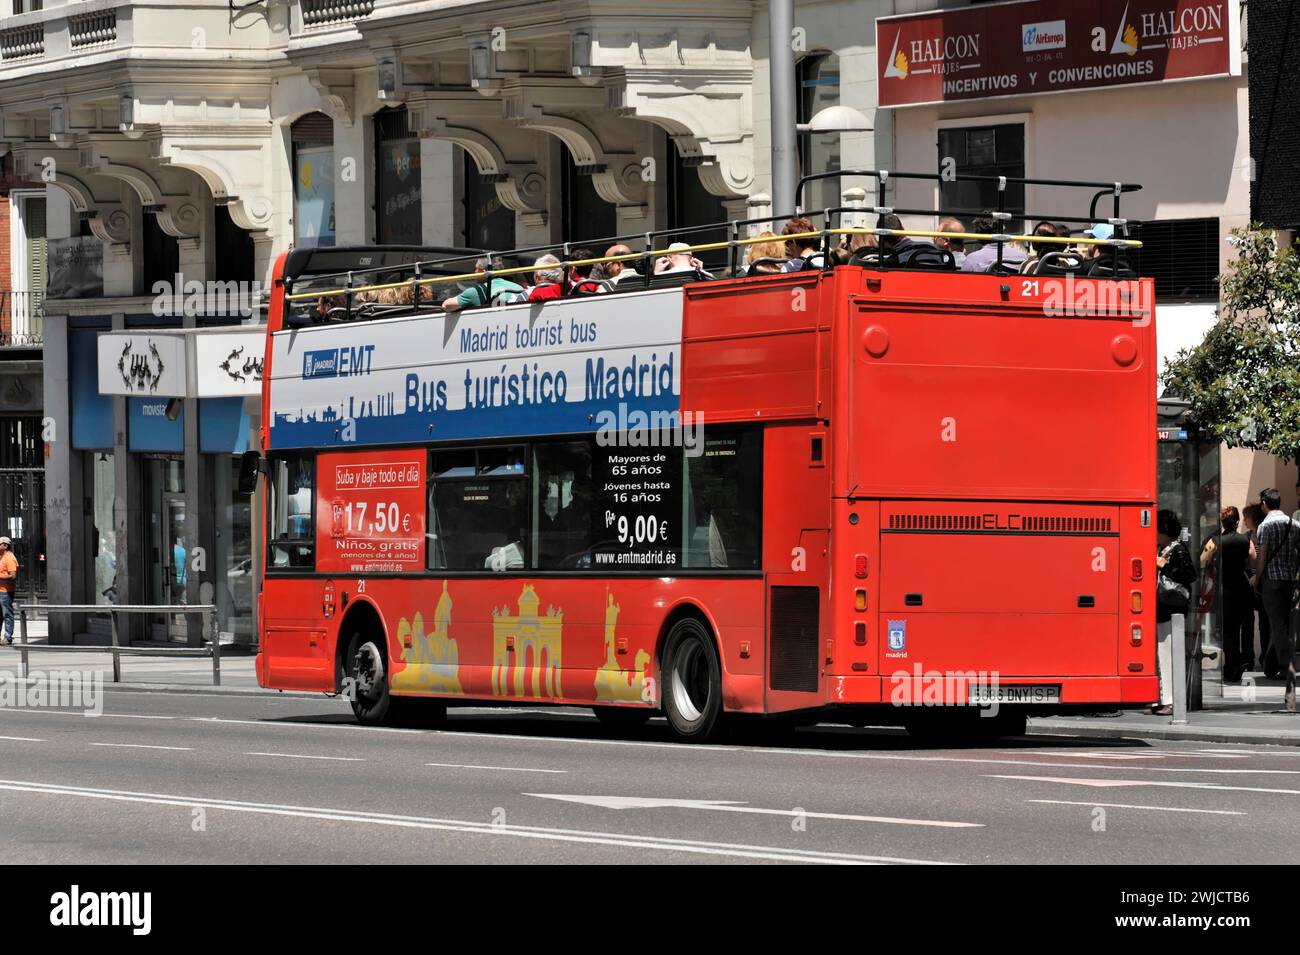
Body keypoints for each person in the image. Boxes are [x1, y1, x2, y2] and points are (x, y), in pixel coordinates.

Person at [1253, 487, 1299, 711]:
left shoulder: (1265, 526)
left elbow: (1261, 557)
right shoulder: (1295, 524)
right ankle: (1277, 662)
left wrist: (1257, 578)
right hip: (1291, 580)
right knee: (1288, 624)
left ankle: (1284, 665)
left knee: (1276, 623)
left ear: (1264, 504)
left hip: (1271, 579)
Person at [1154, 510, 1196, 716]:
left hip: (1172, 609)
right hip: (1164, 608)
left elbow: (1189, 574)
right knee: (1162, 654)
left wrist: (1165, 566)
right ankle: (1163, 699)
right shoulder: (1162, 548)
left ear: (1163, 530)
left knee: (1168, 654)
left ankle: (1171, 702)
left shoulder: (1177, 550)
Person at [1218, 506, 1256, 683]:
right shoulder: (1245, 540)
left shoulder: (1218, 541)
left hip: (1225, 588)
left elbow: (1204, 561)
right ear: (1237, 522)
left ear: (1223, 522)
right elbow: (1253, 559)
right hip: (1242, 587)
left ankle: (1233, 664)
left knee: (1227, 631)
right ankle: (1236, 663)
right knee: (1237, 628)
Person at [1242, 502, 1271, 671]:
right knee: (1247, 622)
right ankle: (1248, 659)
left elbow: (1267, 559)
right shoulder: (1245, 537)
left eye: (1246, 517)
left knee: (1265, 623)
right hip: (1248, 584)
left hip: (1263, 582)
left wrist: (1257, 577)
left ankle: (1265, 658)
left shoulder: (1264, 535)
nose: (1244, 521)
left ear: (1254, 518)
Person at [442, 255, 523, 311]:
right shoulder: (519, 288)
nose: (474, 272)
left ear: (484, 271)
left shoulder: (477, 291)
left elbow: (446, 306)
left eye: (476, 269)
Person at [960, 213, 1027, 273]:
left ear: (978, 234)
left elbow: (963, 281)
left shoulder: (972, 259)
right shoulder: (1022, 256)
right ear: (1002, 231)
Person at [0, 537, 18, 646]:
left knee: (7, 615)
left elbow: (13, 576)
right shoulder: (1, 557)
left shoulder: (10, 558)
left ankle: (8, 638)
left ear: (5, 546)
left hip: (6, 592)